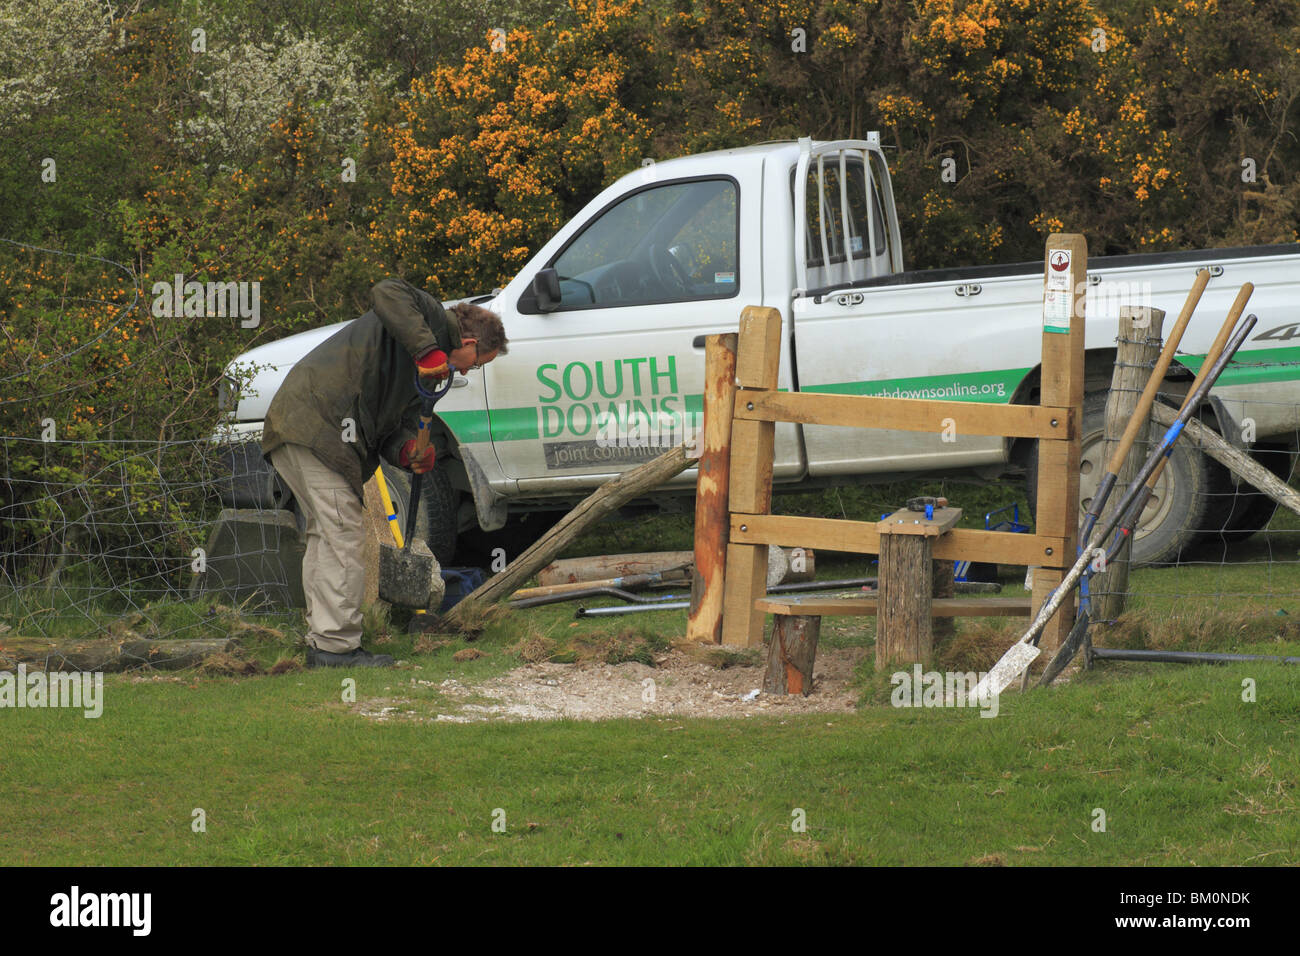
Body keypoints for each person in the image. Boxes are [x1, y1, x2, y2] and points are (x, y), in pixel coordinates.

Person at [261, 277, 508, 668]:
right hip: (317, 427)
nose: (471, 371)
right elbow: (386, 290)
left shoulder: (423, 375)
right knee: (343, 534)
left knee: (326, 536)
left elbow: (396, 427)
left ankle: (322, 641)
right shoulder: (428, 319)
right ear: (470, 344)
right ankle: (336, 648)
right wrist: (428, 351)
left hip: (300, 427)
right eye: (478, 364)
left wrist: (409, 450)